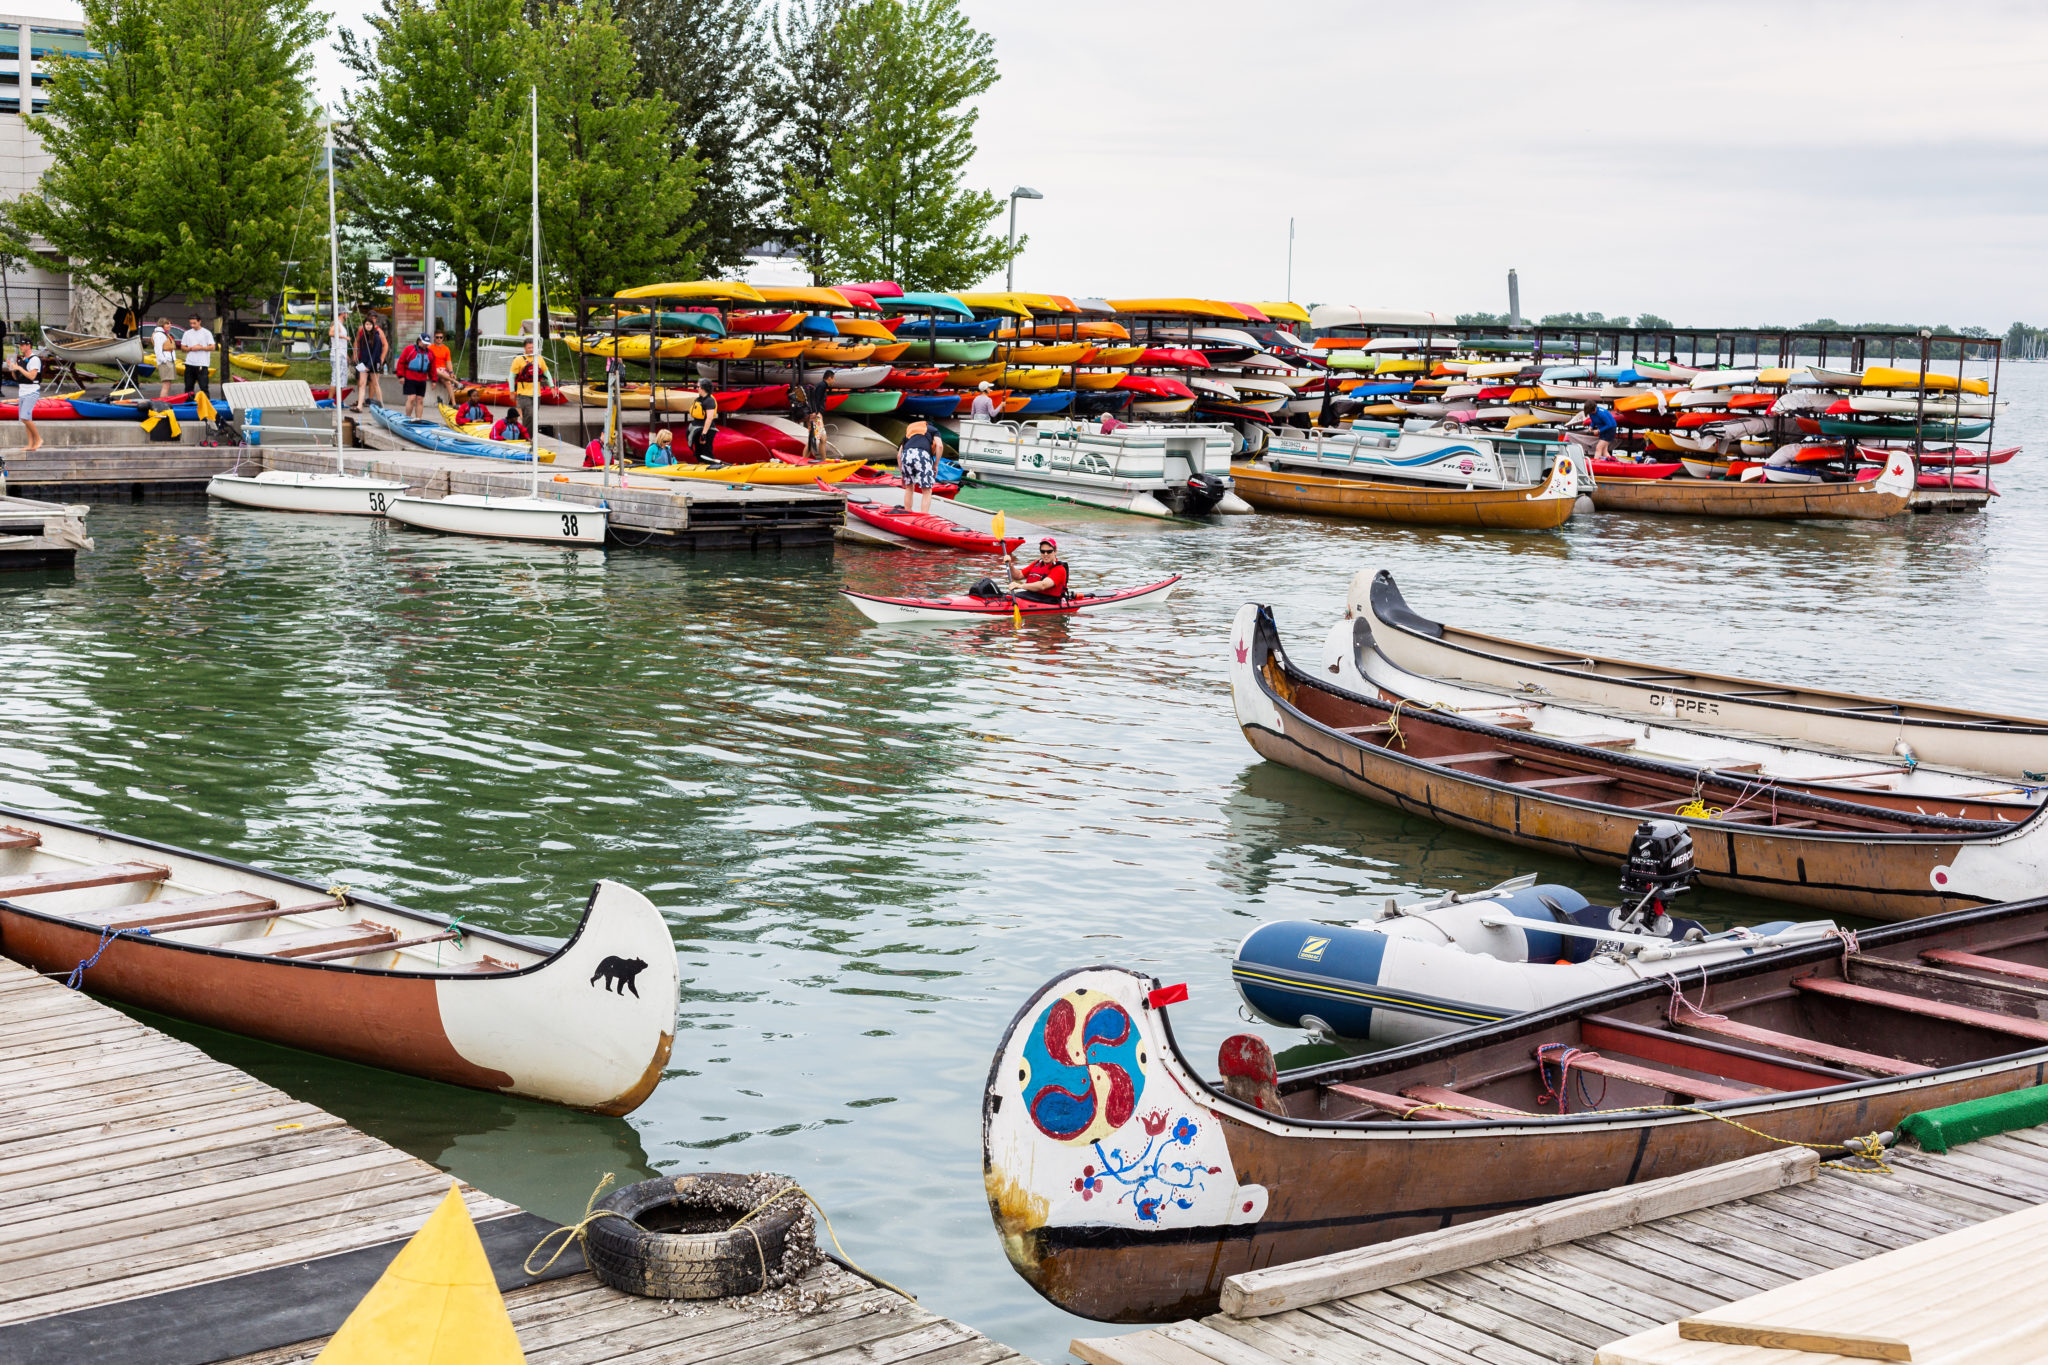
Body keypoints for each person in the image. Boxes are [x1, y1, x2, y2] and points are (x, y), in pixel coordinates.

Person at [897, 418, 942, 514]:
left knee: (909, 487)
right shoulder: (933, 430)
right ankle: (923, 515)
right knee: (927, 490)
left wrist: (903, 474)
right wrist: (936, 465)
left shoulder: (909, 434)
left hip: (906, 455)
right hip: (922, 455)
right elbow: (939, 446)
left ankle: (907, 512)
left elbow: (899, 456)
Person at [5, 339, 43, 451]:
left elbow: (32, 376)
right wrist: (12, 369)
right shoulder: (22, 360)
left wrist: (19, 368)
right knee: (26, 419)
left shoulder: (34, 359)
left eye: (22, 345)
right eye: (20, 345)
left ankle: (39, 439)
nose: (20, 347)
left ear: (29, 346)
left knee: (25, 417)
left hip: (31, 392)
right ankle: (30, 444)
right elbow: (17, 378)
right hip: (22, 392)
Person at [1006, 537, 1069, 604]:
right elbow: (1018, 575)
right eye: (1043, 551)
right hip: (1032, 596)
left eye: (1049, 552)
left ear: (1055, 551)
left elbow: (1043, 585)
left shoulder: (1059, 569)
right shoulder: (1037, 563)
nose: (1045, 554)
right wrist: (1010, 565)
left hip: (1050, 600)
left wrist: (1020, 586)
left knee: (1017, 596)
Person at [508, 337, 549, 431]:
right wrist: (511, 392)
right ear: (524, 348)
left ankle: (528, 435)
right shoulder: (518, 360)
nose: (531, 350)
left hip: (536, 394)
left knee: (533, 417)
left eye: (533, 348)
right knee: (530, 415)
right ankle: (528, 437)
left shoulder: (539, 359)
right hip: (523, 394)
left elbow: (547, 373)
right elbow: (511, 377)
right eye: (529, 348)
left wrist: (552, 386)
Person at [394, 333, 436, 419]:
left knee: (420, 400)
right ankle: (408, 418)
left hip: (422, 379)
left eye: (427, 343)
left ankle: (418, 419)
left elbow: (432, 367)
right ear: (419, 341)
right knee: (412, 398)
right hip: (410, 377)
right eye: (424, 343)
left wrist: (434, 380)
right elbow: (401, 362)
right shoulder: (410, 349)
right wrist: (401, 376)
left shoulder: (430, 353)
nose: (425, 345)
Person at [351, 313, 387, 411]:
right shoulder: (363, 337)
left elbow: (375, 353)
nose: (368, 326)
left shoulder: (376, 337)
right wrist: (360, 362)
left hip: (374, 363)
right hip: (364, 362)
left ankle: (381, 405)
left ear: (373, 326)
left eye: (370, 324)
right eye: (366, 324)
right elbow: (362, 350)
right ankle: (359, 406)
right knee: (362, 384)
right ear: (364, 325)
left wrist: (369, 366)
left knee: (375, 384)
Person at [180, 314, 215, 397]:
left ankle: (206, 403)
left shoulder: (206, 333)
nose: (192, 325)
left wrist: (200, 348)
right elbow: (183, 348)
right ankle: (189, 404)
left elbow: (212, 347)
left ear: (199, 322)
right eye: (191, 323)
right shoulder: (187, 333)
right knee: (188, 387)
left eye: (194, 323)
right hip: (189, 363)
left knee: (203, 386)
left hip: (202, 364)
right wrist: (191, 348)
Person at [686, 379, 719, 463]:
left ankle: (712, 468)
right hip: (697, 428)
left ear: (703, 388)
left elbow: (709, 418)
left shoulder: (709, 401)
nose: (696, 388)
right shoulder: (699, 399)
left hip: (706, 430)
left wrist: (703, 434)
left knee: (706, 453)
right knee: (698, 452)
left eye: (698, 386)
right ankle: (701, 465)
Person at [429, 329, 457, 406]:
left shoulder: (446, 349)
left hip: (443, 371)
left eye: (441, 337)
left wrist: (451, 372)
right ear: (434, 338)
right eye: (437, 337)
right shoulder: (430, 348)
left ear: (443, 338)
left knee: (448, 382)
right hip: (433, 370)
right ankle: (454, 381)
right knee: (436, 370)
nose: (439, 339)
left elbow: (448, 362)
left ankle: (454, 404)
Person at [150, 318, 177, 399]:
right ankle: (162, 402)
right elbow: (158, 350)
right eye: (167, 324)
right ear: (162, 325)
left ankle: (165, 399)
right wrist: (164, 360)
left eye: (170, 323)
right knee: (166, 384)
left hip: (169, 360)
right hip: (165, 362)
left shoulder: (164, 334)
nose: (170, 325)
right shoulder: (159, 335)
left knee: (168, 383)